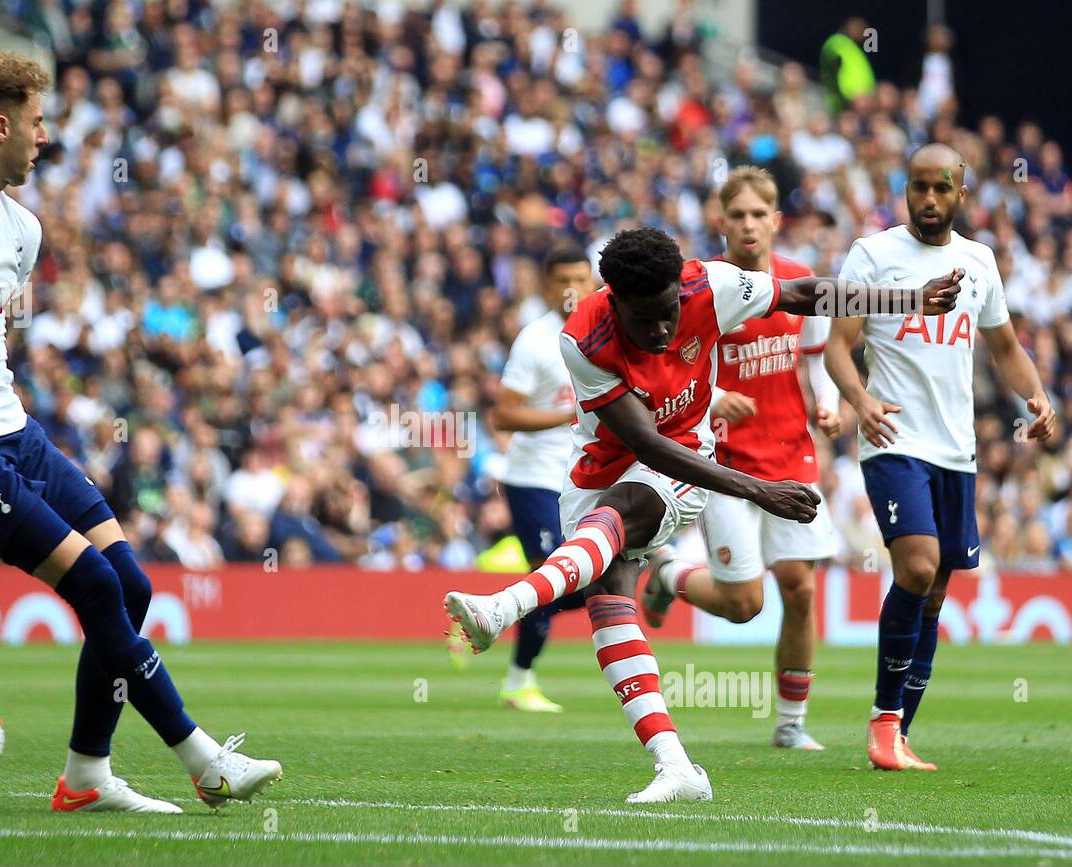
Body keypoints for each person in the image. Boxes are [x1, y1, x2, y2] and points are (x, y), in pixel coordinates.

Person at [0, 50, 282, 813]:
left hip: (14, 434)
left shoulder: (21, 229)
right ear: (1, 125)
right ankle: (204, 760)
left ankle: (85, 776)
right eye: (38, 123)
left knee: (130, 585)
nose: (47, 139)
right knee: (94, 584)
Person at [445, 227, 960, 803]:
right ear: (614, 301)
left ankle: (505, 605)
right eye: (647, 320)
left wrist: (909, 298)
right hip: (606, 468)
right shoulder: (583, 339)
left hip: (687, 457)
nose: (663, 329)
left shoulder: (709, 286)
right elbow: (644, 446)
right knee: (610, 603)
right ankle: (677, 768)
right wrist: (760, 489)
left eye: (670, 312)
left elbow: (806, 294)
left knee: (627, 511)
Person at [825, 142, 1055, 771]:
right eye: (918, 187)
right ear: (905, 188)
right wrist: (859, 400)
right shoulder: (871, 255)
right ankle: (882, 722)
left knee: (934, 596)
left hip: (957, 451)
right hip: (894, 439)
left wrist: (1036, 394)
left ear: (961, 192)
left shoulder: (979, 261)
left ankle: (896, 734)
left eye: (941, 189)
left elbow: (1005, 346)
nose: (928, 200)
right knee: (919, 568)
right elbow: (837, 347)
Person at [642, 167, 841, 751]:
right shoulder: (702, 290)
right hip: (725, 467)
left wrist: (827, 405)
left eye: (761, 214)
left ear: (777, 220)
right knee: (744, 605)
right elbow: (669, 375)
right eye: (739, 215)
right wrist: (712, 399)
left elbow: (816, 358)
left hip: (792, 458)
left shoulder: (802, 281)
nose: (750, 224)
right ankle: (668, 573)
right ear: (720, 222)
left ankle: (790, 724)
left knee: (801, 589)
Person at [478, 241, 594, 713]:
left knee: (588, 583)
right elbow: (503, 416)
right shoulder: (535, 340)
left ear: (594, 283)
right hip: (533, 477)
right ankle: (518, 681)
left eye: (580, 279)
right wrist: (568, 414)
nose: (571, 290)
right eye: (561, 280)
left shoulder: (603, 330)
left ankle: (496, 609)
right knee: (556, 575)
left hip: (581, 478)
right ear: (546, 286)